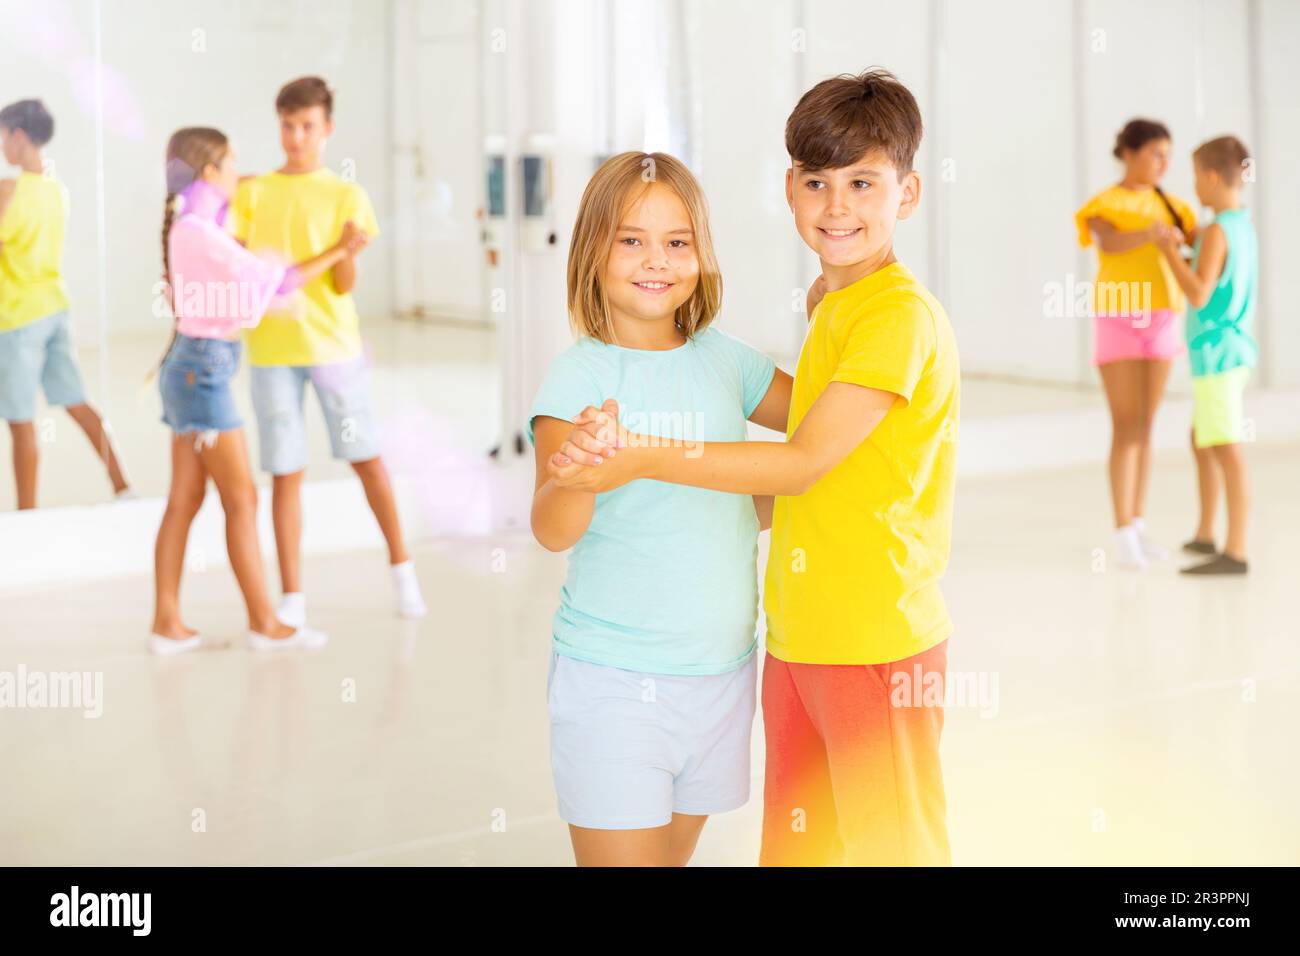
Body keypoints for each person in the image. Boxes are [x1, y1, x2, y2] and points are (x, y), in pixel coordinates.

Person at [550, 69, 960, 866]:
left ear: (906, 195)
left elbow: (804, 461)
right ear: (791, 190)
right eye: (818, 182)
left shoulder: (898, 316)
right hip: (795, 642)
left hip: (876, 639)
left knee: (893, 851)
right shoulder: (834, 309)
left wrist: (639, 456)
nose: (838, 205)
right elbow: (821, 476)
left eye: (863, 183)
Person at [529, 150, 793, 865]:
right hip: (612, 682)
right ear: (594, 250)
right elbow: (552, 530)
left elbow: (814, 440)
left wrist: (842, 311)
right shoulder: (580, 375)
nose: (658, 260)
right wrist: (578, 473)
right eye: (631, 239)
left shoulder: (729, 362)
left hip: (723, 675)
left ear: (702, 255)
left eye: (678, 242)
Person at [151, 125, 365, 654]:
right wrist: (339, 250)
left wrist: (230, 182)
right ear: (207, 173)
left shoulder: (191, 224)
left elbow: (224, 213)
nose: (240, 171)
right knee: (241, 499)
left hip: (192, 366)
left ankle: (166, 624)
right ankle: (265, 623)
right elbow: (282, 282)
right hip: (204, 373)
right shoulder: (201, 233)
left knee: (185, 498)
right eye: (231, 162)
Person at [230, 76, 424, 625]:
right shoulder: (254, 192)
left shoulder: (347, 195)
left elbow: (343, 284)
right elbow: (246, 267)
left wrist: (347, 252)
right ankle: (292, 596)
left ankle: (403, 570)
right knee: (286, 472)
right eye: (288, 126)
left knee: (367, 459)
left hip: (334, 348)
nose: (296, 137)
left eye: (307, 126)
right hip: (271, 350)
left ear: (327, 128)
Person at [1076, 119, 1198, 569]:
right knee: (1125, 424)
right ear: (1128, 153)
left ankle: (1139, 524)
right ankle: (1122, 528)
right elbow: (1108, 244)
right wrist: (1150, 234)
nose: (1163, 163)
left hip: (1163, 318)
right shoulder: (1105, 203)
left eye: (1168, 155)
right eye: (1154, 153)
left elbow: (1202, 249)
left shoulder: (1177, 206)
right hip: (1119, 318)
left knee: (1147, 424)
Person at [0, 98, 130, 509]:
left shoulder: (9, 191)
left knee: (21, 423)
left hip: (17, 320)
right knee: (77, 401)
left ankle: (27, 512)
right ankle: (123, 485)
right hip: (55, 310)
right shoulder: (57, 190)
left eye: (3, 137)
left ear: (18, 136)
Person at [1153, 135, 1257, 575]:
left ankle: (1234, 551)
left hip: (1217, 356)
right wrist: (1192, 247)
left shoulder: (1216, 232)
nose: (1193, 185)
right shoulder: (1237, 226)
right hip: (1228, 353)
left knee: (1226, 448)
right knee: (1203, 439)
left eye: (1196, 175)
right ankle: (1205, 531)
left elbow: (1198, 292)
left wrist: (1169, 253)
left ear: (1212, 177)